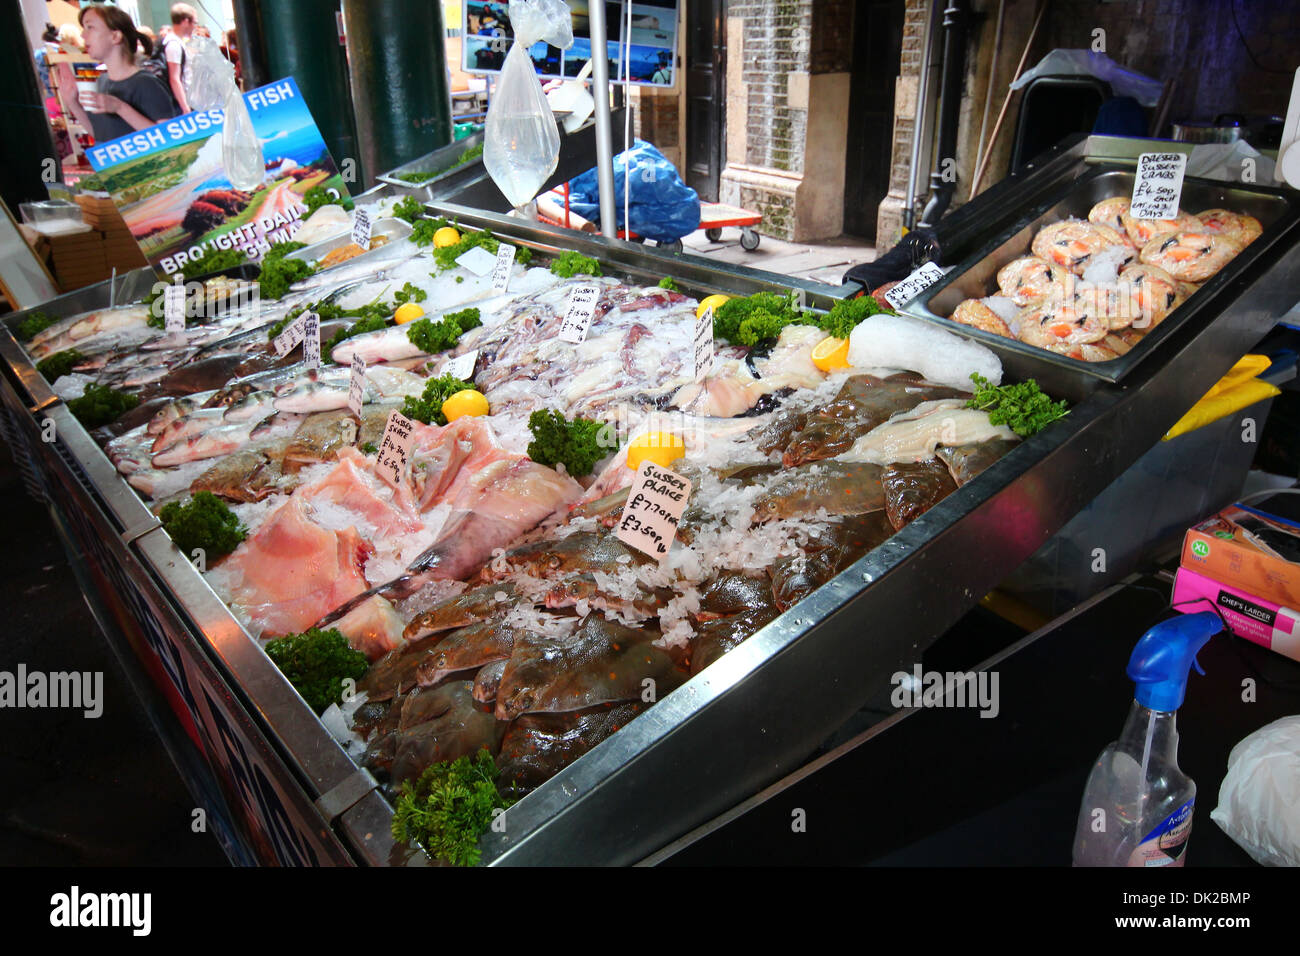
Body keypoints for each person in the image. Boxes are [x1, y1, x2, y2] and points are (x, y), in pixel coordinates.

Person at [66, 4, 178, 143]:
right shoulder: (102, 81)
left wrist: (120, 108)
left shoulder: (145, 83)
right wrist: (72, 103)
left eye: (90, 27)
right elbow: (101, 135)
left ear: (115, 36)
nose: (83, 35)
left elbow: (169, 138)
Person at [162, 3, 198, 114]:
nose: (195, 27)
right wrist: (185, 107)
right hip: (185, 103)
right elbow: (174, 78)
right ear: (186, 21)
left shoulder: (177, 42)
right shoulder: (173, 44)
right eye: (195, 23)